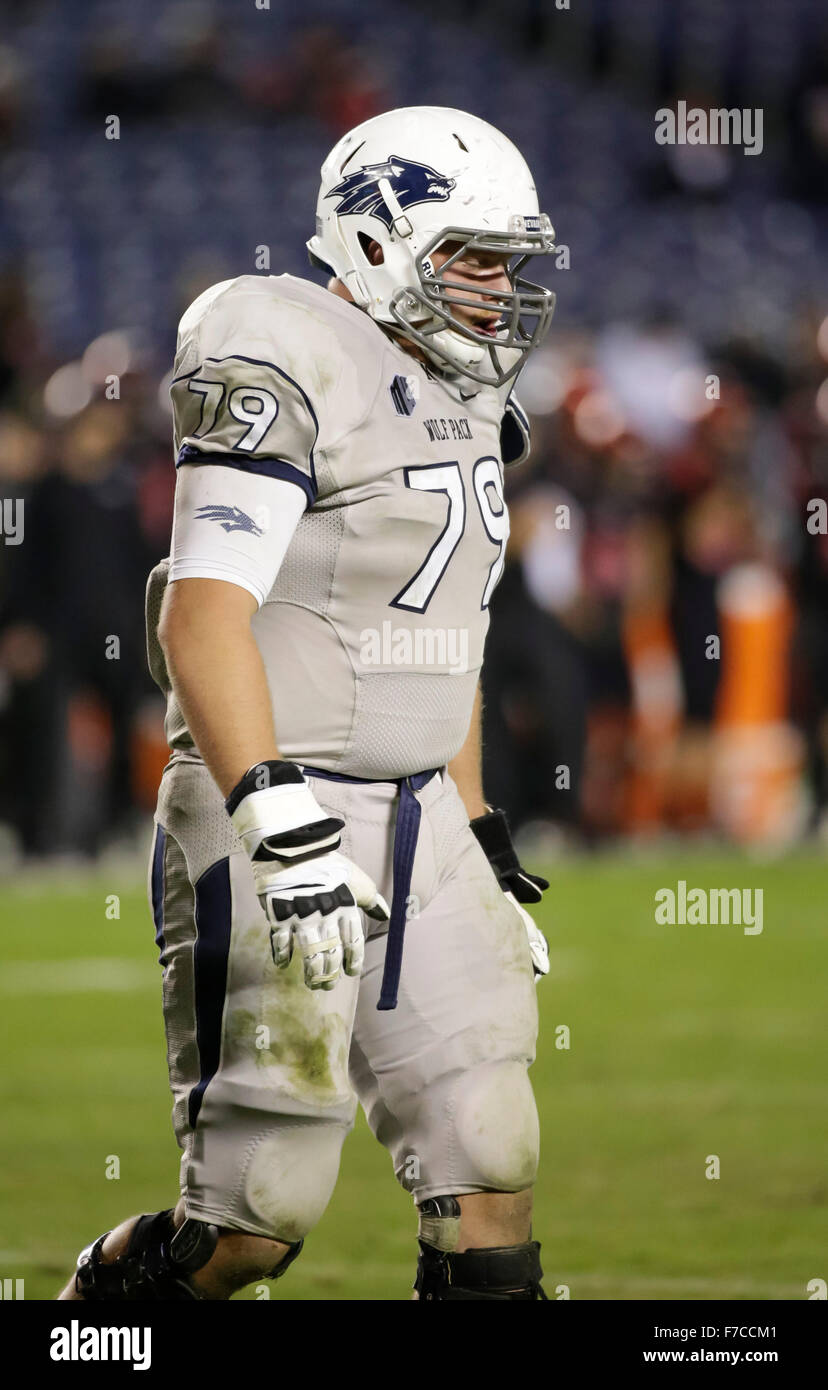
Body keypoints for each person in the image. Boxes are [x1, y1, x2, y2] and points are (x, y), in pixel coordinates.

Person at [58, 104, 557, 1302]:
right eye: (471, 258)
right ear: (380, 237)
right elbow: (199, 615)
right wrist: (275, 819)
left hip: (424, 810)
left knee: (491, 1156)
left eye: (508, 263)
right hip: (277, 801)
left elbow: (449, 633)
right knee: (255, 1217)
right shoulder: (281, 339)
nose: (498, 289)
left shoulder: (464, 389)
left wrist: (480, 831)